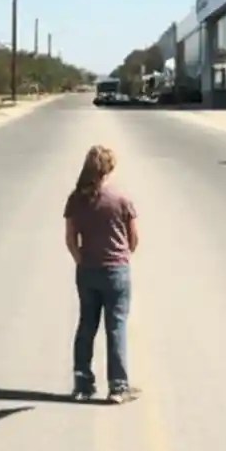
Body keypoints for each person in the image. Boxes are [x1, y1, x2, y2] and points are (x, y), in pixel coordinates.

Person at [63, 144, 139, 403]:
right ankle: (118, 386)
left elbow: (71, 239)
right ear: (108, 170)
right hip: (116, 270)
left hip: (88, 270)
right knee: (116, 326)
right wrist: (121, 257)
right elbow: (134, 239)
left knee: (87, 324)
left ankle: (83, 383)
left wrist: (80, 259)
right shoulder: (121, 200)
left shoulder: (76, 199)